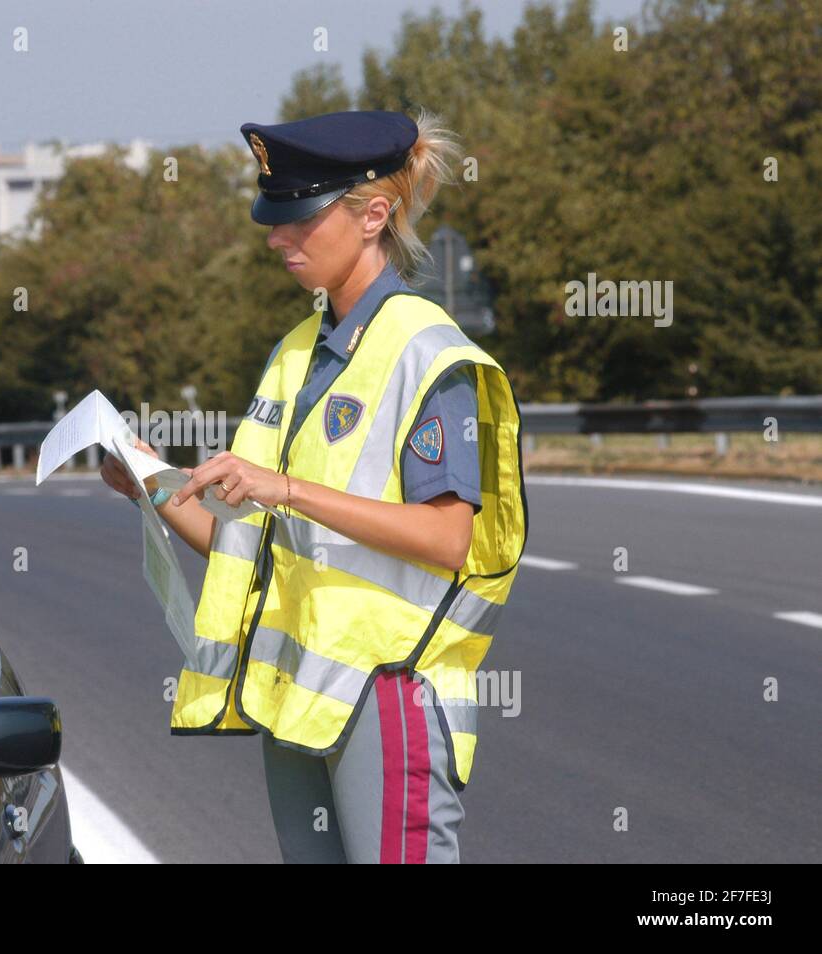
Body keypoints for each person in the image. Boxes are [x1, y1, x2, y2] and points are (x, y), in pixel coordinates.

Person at [101, 109, 527, 863]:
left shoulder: (425, 353)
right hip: (300, 697)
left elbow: (447, 537)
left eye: (301, 219)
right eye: (275, 219)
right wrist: (150, 484)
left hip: (388, 692)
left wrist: (287, 489)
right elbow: (244, 550)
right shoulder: (298, 350)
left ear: (374, 216)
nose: (277, 238)